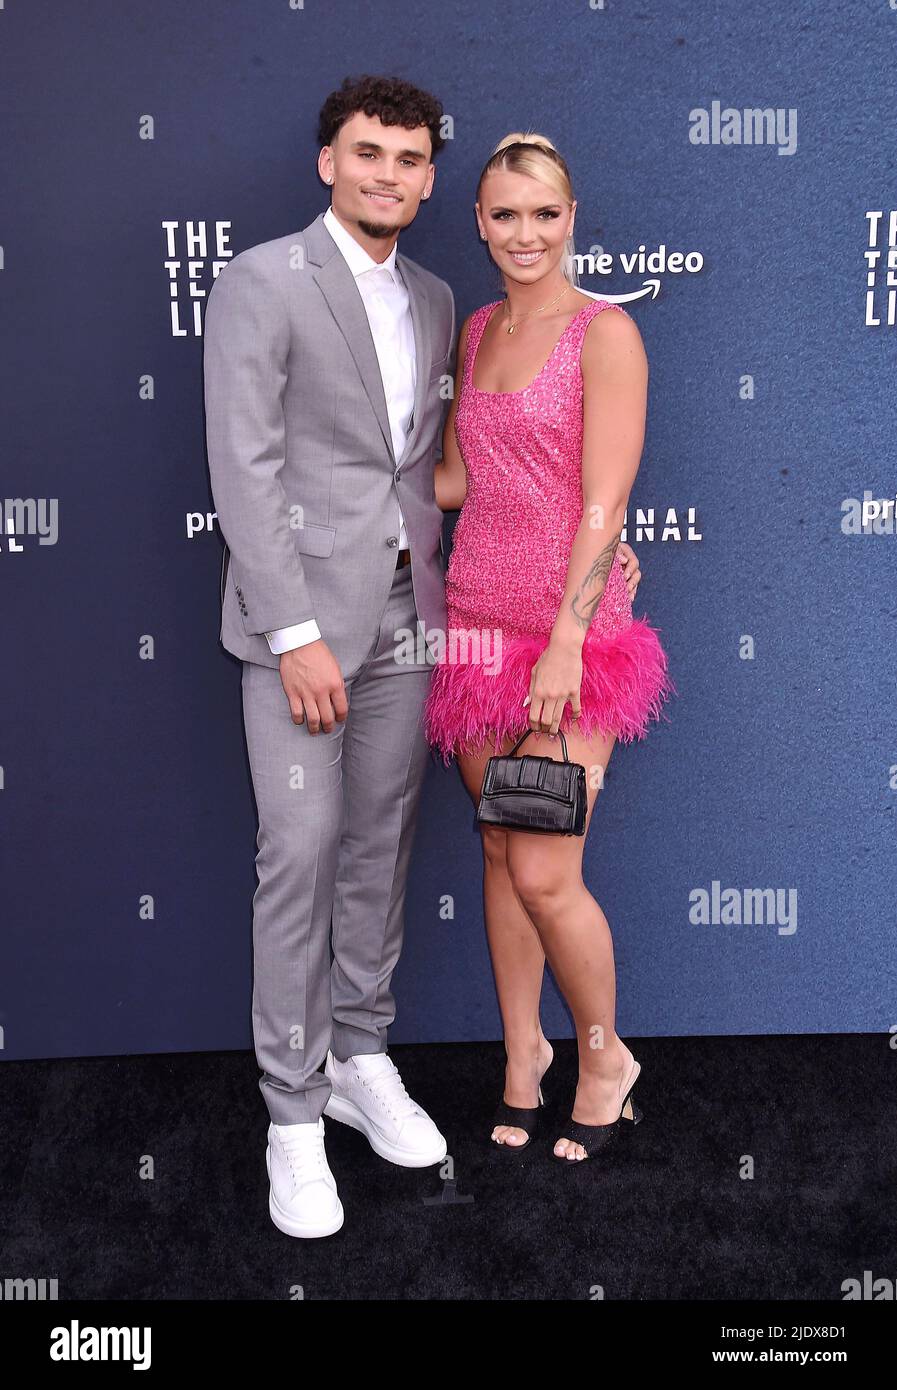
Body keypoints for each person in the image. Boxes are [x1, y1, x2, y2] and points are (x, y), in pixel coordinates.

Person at [425, 132, 676, 1163]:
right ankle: (524, 1056)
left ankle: (605, 1054)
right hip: (475, 620)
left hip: (564, 637)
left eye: (544, 213)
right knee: (497, 846)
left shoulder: (604, 333)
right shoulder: (477, 328)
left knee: (545, 871)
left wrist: (568, 639)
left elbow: (605, 501)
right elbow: (451, 480)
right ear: (479, 222)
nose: (524, 233)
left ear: (571, 219)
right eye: (503, 214)